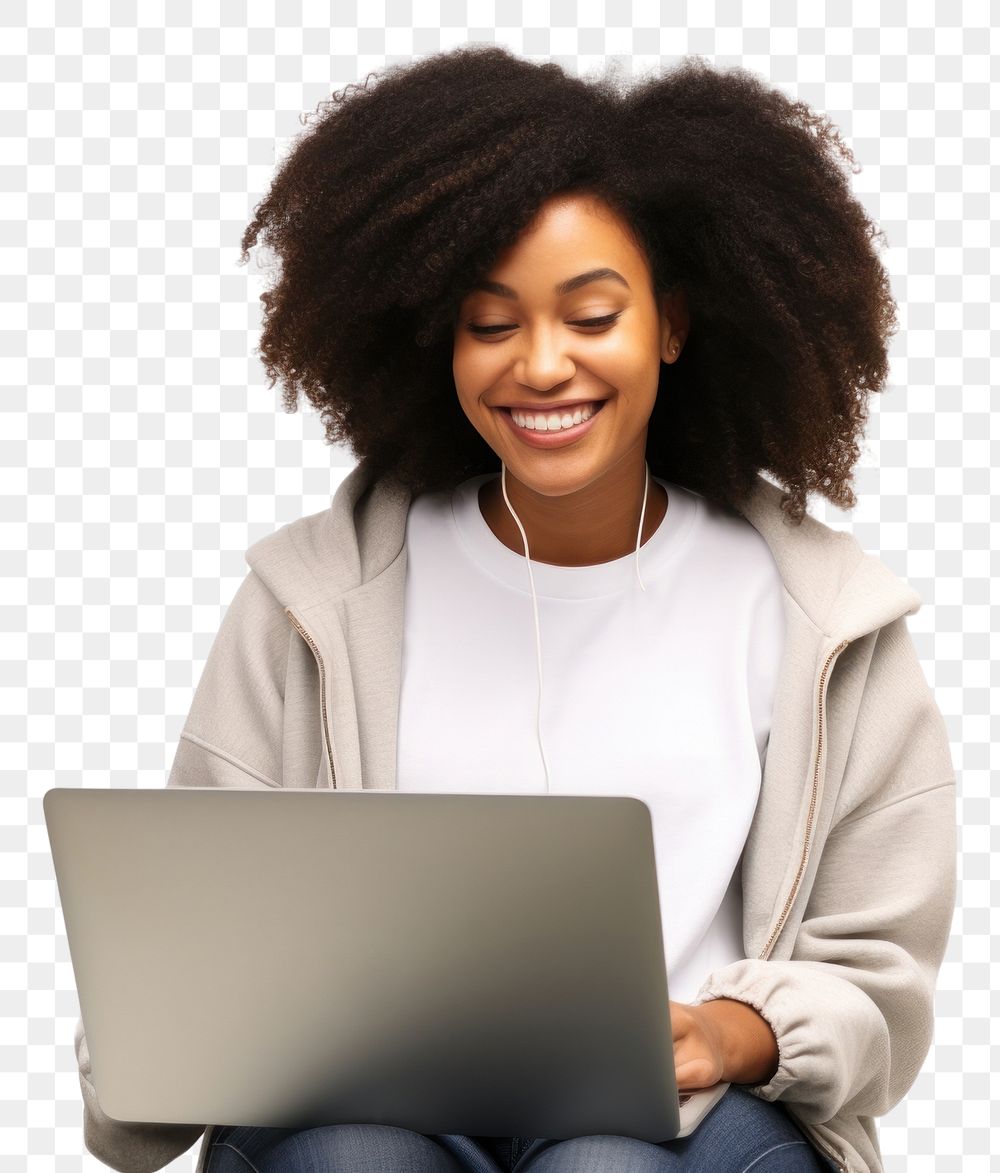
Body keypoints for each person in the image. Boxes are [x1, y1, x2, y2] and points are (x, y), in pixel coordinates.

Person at [73, 46, 956, 1173]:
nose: (543, 366)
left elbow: (878, 982)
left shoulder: (823, 618)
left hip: (679, 1117)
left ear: (671, 325)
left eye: (592, 316)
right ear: (438, 340)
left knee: (605, 1167)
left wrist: (733, 1033)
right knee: (352, 1159)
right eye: (491, 325)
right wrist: (154, 1047)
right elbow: (196, 939)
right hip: (379, 1103)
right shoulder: (314, 600)